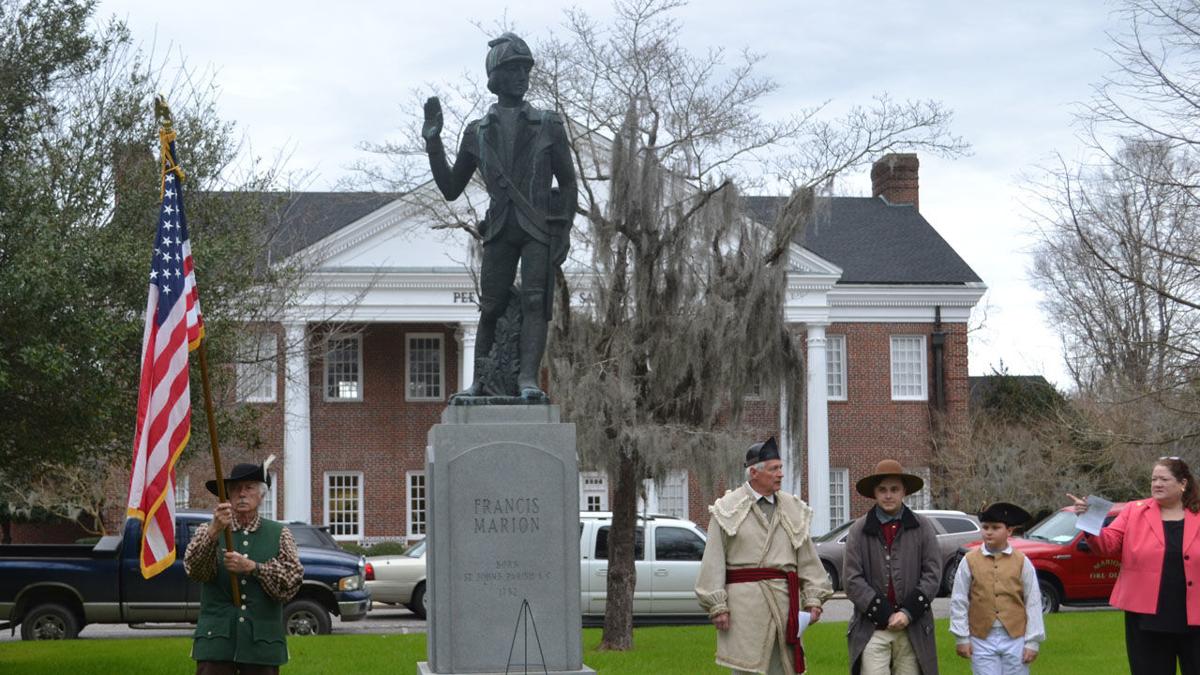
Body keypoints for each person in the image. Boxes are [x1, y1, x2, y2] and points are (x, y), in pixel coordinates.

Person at [422, 32, 578, 401]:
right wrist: (433, 142)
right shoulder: (477, 132)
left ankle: (527, 378)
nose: (522, 76)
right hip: (500, 227)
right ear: (495, 77)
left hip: (538, 226)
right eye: (513, 69)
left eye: (525, 69)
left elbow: (569, 183)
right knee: (491, 305)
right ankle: (479, 381)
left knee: (535, 301)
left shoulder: (548, 124)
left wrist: (565, 230)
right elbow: (450, 187)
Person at [695, 437, 833, 674]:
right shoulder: (728, 508)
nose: (780, 474)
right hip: (744, 608)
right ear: (753, 473)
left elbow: (808, 558)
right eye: (774, 469)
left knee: (783, 667)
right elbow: (713, 560)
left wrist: (813, 598)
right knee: (747, 667)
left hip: (784, 604)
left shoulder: (793, 508)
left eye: (781, 468)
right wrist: (717, 606)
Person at [1068, 456, 1200, 675]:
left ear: (1183, 483)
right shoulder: (1133, 511)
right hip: (1147, 619)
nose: (1156, 484)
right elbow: (1107, 545)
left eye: (1164, 479)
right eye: (1153, 479)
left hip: (1195, 618)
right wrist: (1089, 520)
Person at [184, 461, 303, 675]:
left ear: (261, 495)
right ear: (227, 496)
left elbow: (291, 583)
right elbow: (194, 570)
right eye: (236, 488)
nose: (242, 494)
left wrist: (253, 568)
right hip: (216, 643)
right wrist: (213, 532)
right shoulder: (207, 530)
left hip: (262, 644)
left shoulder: (280, 534)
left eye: (249, 488)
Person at [844, 459, 941, 675]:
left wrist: (907, 613)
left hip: (913, 628)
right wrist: (885, 613)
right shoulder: (858, 530)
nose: (888, 495)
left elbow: (932, 575)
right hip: (872, 629)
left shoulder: (922, 527)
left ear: (903, 491)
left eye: (894, 489)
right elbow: (852, 579)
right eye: (883, 490)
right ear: (874, 493)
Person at [949, 502, 1045, 675]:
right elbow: (959, 599)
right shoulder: (969, 560)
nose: (989, 532)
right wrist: (961, 637)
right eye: (985, 527)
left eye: (995, 527)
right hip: (981, 637)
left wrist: (1033, 641)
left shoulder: (1022, 561)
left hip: (1015, 637)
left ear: (1009, 531)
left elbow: (1033, 601)